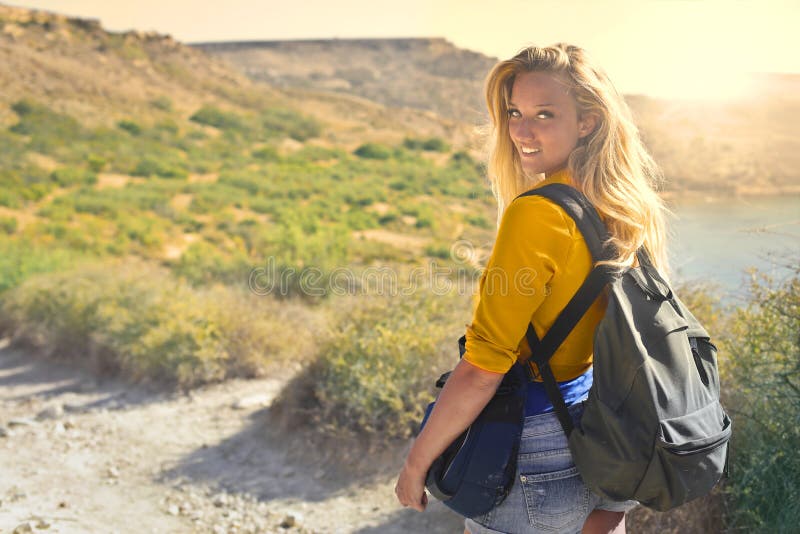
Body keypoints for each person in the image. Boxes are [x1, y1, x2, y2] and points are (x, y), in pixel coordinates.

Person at [394, 43, 671, 534]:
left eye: (545, 114)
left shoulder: (537, 212)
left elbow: (484, 368)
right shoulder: (625, 204)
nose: (521, 131)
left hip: (537, 449)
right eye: (514, 113)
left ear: (587, 121)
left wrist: (417, 462)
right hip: (606, 432)